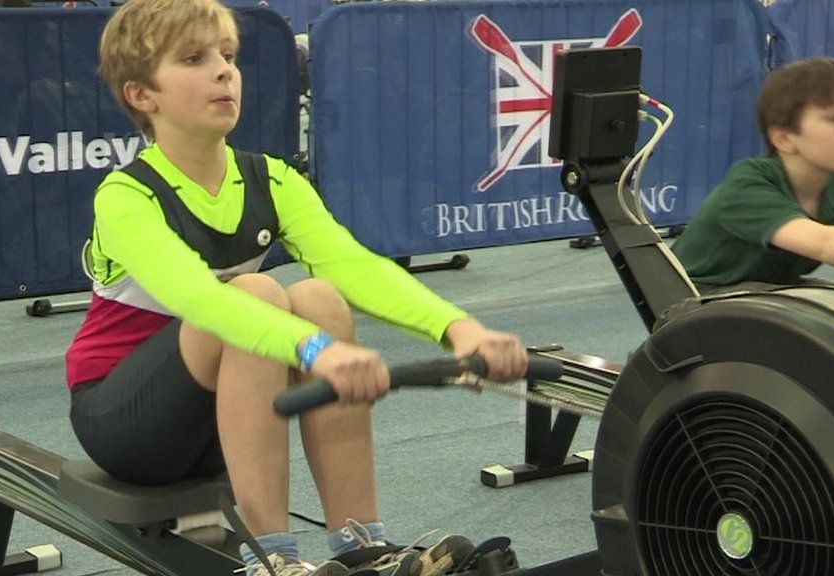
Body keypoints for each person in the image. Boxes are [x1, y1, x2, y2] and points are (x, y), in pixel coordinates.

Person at [64, 0, 530, 575]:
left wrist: (462, 330)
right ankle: (272, 559)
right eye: (194, 59)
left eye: (228, 56)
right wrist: (317, 352)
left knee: (318, 298)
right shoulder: (125, 197)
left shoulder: (272, 179)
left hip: (228, 413)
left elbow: (354, 266)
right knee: (256, 295)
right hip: (125, 422)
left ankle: (362, 542)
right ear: (142, 95)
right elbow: (199, 299)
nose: (223, 71)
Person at [672, 57, 834, 294]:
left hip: (771, 291)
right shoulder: (747, 183)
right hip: (696, 301)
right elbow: (826, 244)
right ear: (783, 139)